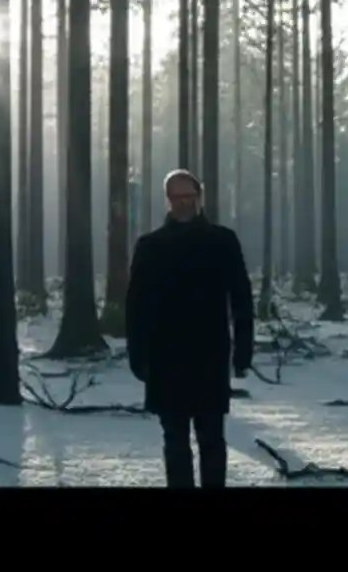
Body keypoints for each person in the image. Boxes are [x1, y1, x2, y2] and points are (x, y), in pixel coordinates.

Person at [125, 169, 255, 488]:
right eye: (177, 197)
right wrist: (137, 356)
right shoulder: (150, 247)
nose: (184, 203)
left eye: (189, 197)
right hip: (165, 359)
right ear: (168, 200)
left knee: (212, 440)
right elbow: (136, 307)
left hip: (209, 357)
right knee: (175, 443)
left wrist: (243, 349)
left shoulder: (222, 242)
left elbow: (241, 298)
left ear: (199, 198)